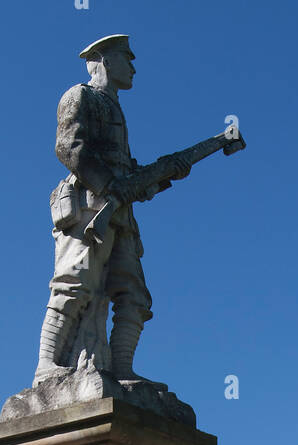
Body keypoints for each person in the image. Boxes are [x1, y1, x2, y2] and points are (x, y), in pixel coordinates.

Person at [34, 35, 190, 387]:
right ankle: (46, 364)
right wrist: (110, 185)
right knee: (73, 283)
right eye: (127, 59)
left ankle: (121, 370)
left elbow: (127, 173)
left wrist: (163, 175)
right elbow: (68, 148)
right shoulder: (81, 96)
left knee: (133, 296)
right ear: (104, 59)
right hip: (90, 206)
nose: (133, 67)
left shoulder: (115, 108)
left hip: (120, 213)